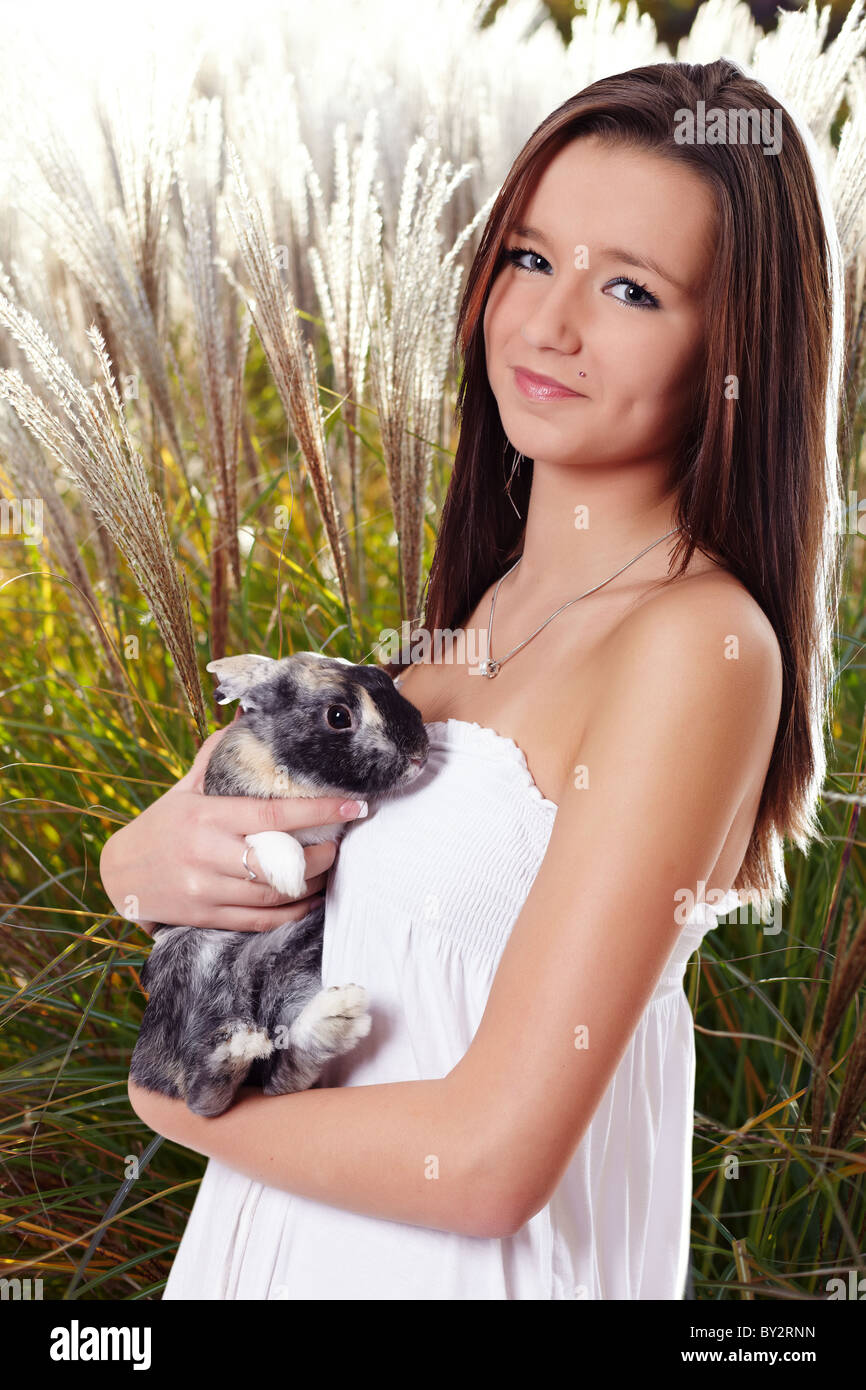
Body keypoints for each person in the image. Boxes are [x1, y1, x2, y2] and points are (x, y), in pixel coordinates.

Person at [103, 57, 845, 1299]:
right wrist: (140, 861)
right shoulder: (479, 616)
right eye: (528, 259)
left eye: (629, 288)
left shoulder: (695, 642)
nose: (548, 326)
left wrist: (172, 1102)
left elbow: (491, 1158)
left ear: (737, 347)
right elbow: (247, 882)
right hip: (281, 1248)